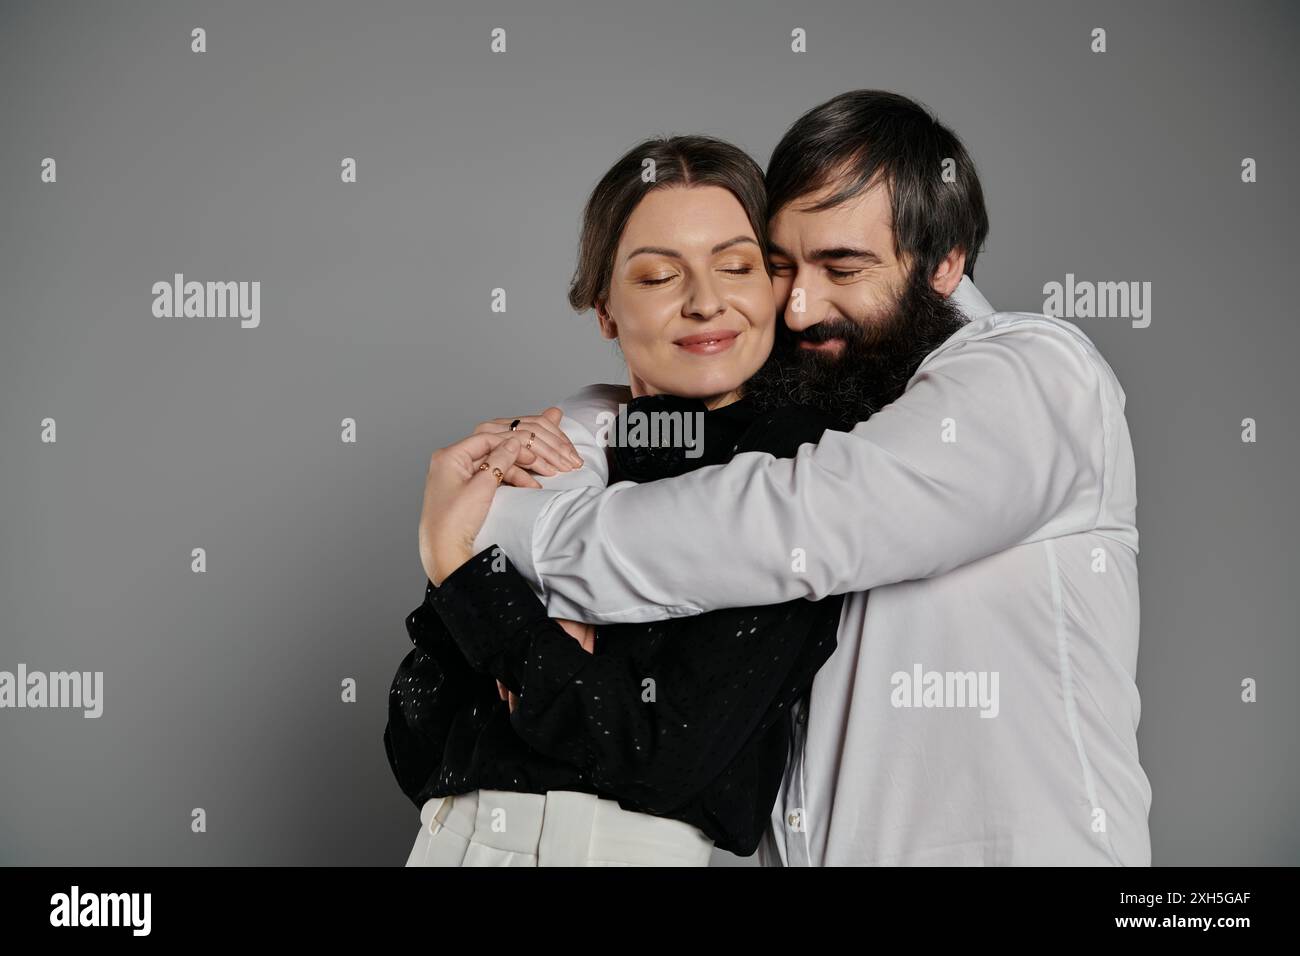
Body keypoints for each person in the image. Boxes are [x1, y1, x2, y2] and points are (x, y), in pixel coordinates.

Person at [423, 90, 1152, 866]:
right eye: (777, 267)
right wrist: (539, 452)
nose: (800, 307)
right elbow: (659, 402)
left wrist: (487, 545)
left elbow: (797, 523)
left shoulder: (1032, 375)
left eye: (842, 265)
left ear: (945, 264)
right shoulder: (835, 391)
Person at [387, 134, 856, 866]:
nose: (706, 302)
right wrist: (506, 608)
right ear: (604, 308)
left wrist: (462, 572)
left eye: (736, 266)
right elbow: (417, 736)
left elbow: (662, 751)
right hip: (447, 842)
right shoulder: (557, 451)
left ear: (775, 288)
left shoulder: (800, 471)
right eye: (659, 276)